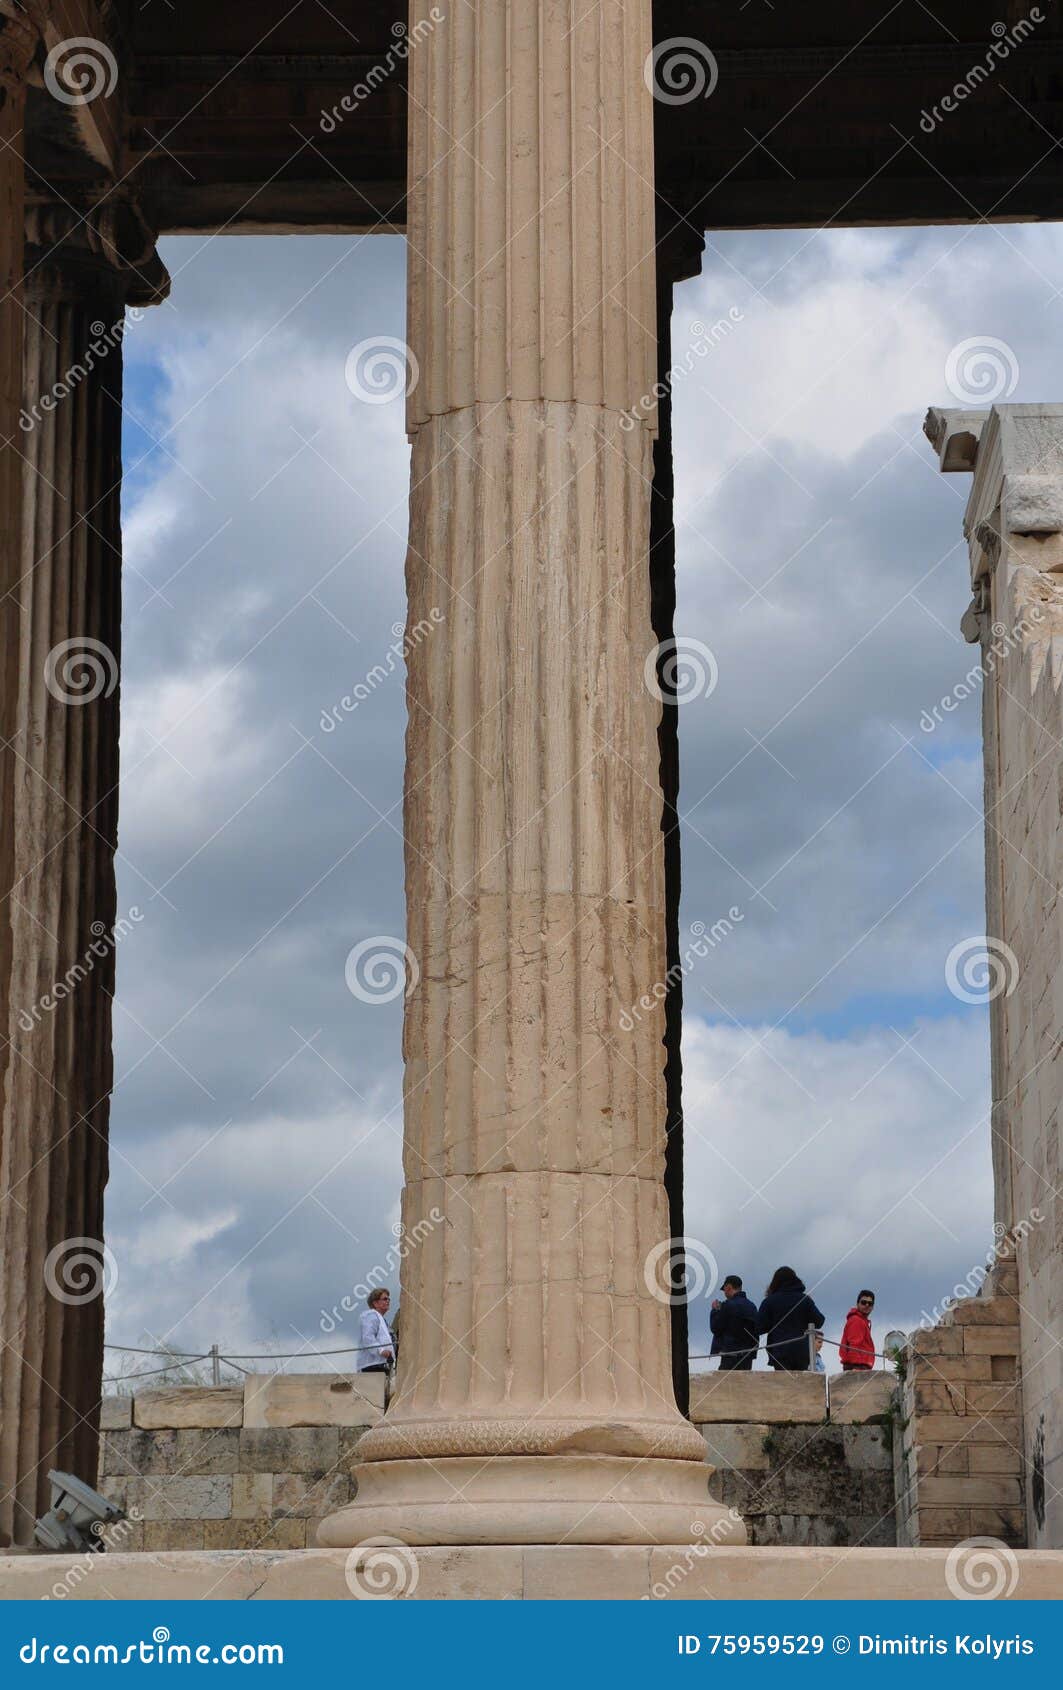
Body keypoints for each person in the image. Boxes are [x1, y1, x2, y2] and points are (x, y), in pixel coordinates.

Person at [757, 1266, 825, 1371]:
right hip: (801, 1350)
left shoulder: (769, 1301)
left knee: (784, 1385)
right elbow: (819, 1321)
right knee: (800, 1385)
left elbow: (760, 1327)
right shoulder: (804, 1300)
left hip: (779, 1350)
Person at [709, 1275, 759, 1370]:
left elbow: (715, 1328)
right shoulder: (752, 1306)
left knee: (725, 1383)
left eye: (724, 1289)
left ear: (728, 1287)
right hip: (747, 1356)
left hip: (730, 1354)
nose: (724, 1292)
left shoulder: (727, 1305)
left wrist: (715, 1310)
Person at [358, 1288, 395, 1373]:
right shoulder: (371, 1316)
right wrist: (381, 1350)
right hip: (372, 1366)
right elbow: (367, 1337)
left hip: (381, 1364)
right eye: (385, 1299)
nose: (388, 1301)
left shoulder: (381, 1319)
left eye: (389, 1299)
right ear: (375, 1303)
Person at [839, 1289, 876, 1370]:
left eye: (870, 1303)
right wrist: (856, 1368)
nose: (867, 1305)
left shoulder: (862, 1321)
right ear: (857, 1304)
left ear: (873, 1307)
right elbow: (854, 1346)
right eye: (863, 1302)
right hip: (857, 1367)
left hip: (859, 1366)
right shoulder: (856, 1320)